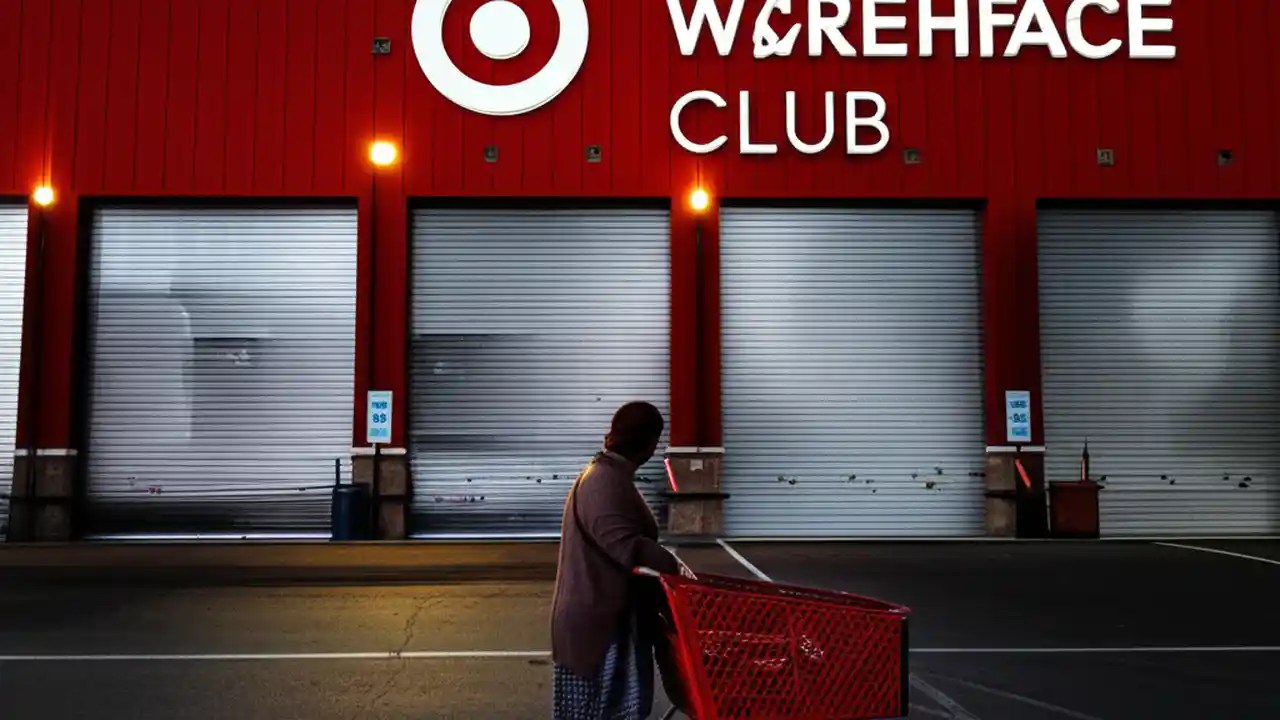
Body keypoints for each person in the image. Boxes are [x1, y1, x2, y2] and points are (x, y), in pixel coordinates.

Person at [550, 401, 694, 720]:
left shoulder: (610, 475)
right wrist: (674, 566)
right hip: (598, 630)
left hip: (605, 623)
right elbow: (626, 546)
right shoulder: (603, 481)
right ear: (646, 442)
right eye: (655, 441)